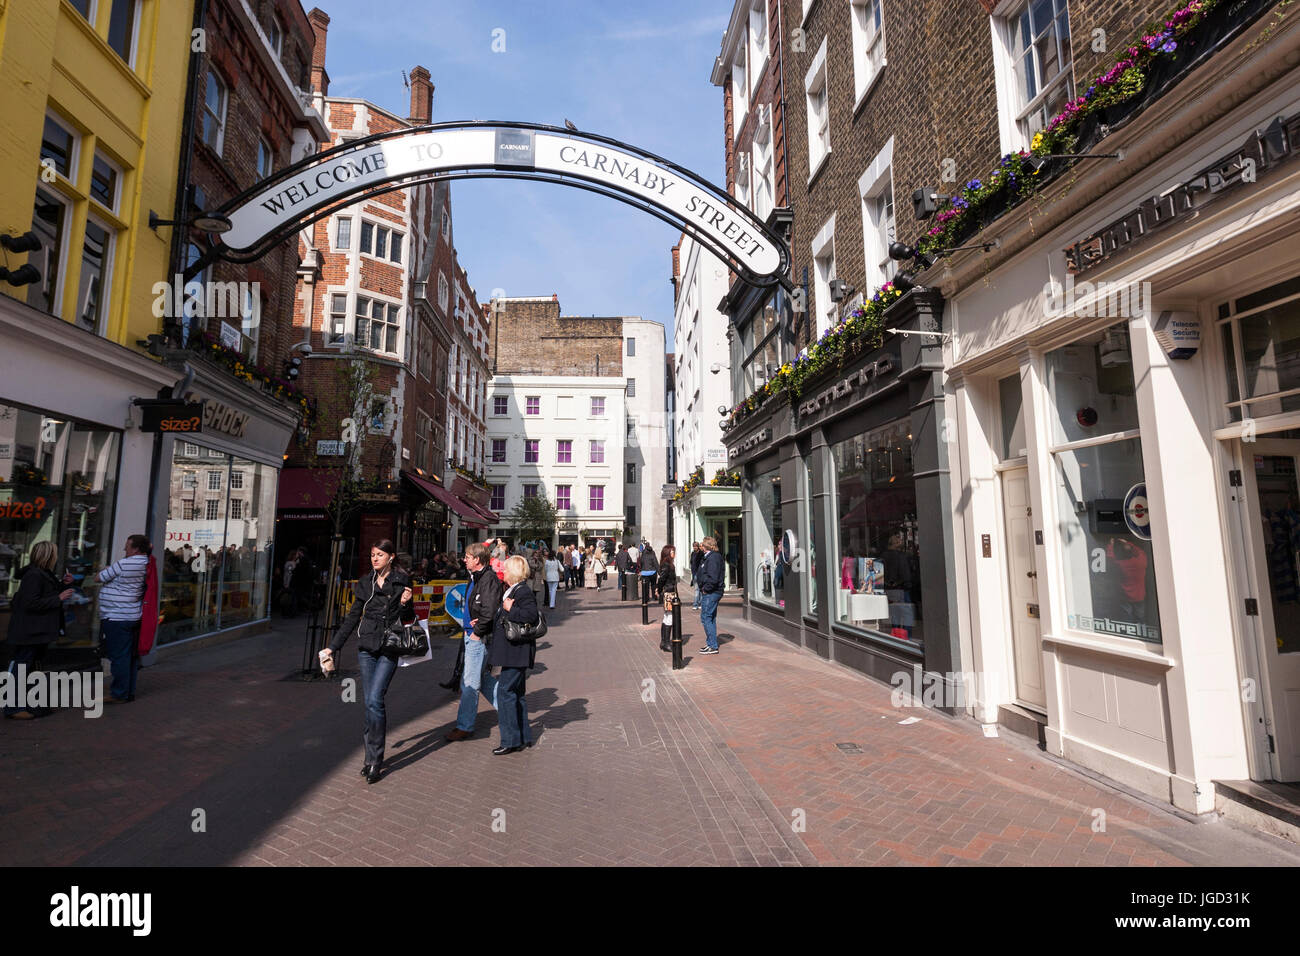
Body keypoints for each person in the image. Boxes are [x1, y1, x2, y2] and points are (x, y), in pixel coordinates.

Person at [319, 540, 414, 784]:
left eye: (380, 555)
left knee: (374, 700)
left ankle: (376, 760)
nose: (375, 559)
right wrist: (332, 647)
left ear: (391, 557)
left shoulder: (402, 581)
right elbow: (352, 618)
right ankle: (370, 757)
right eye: (372, 555)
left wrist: (404, 604)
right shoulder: (365, 583)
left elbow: (410, 617)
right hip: (367, 647)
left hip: (390, 646)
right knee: (370, 704)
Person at [4, 541, 74, 719]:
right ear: (49, 556)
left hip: (37, 630)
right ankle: (13, 707)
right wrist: (59, 597)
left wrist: (63, 586)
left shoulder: (42, 574)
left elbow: (45, 595)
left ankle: (28, 703)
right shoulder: (34, 575)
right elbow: (31, 603)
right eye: (55, 554)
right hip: (30, 630)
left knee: (29, 667)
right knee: (21, 666)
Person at [445, 541, 503, 743]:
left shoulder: (487, 579)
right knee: (483, 680)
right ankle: (509, 708)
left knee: (469, 684)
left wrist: (477, 632)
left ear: (477, 560)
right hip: (473, 636)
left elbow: (489, 609)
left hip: (477, 638)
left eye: (467, 557)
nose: (464, 559)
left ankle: (465, 726)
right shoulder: (476, 577)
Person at [489, 555, 540, 754]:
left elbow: (530, 615)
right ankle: (522, 737)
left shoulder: (522, 591)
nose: (503, 571)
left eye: (506, 569)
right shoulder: (513, 590)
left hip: (516, 652)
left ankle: (510, 740)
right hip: (513, 652)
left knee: (505, 693)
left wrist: (511, 609)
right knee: (516, 694)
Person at [97, 534, 152, 704]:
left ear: (135, 549)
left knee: (119, 657)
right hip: (132, 614)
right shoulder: (146, 563)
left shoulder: (125, 563)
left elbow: (98, 577)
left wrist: (107, 570)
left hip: (116, 616)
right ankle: (128, 691)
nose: (124, 549)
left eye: (127, 546)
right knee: (130, 656)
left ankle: (119, 693)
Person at [697, 536, 725, 655]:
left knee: (706, 618)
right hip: (711, 591)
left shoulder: (713, 558)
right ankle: (710, 643)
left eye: (702, 544)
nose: (701, 546)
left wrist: (705, 589)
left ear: (707, 545)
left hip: (711, 592)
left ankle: (713, 645)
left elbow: (713, 577)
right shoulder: (709, 557)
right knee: (710, 617)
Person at [656, 545, 678, 652]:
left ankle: (664, 641)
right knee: (669, 616)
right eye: (673, 552)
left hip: (670, 592)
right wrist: (659, 589)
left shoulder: (668, 564)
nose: (674, 554)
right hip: (668, 593)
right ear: (668, 553)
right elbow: (662, 579)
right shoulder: (666, 565)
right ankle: (666, 642)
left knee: (667, 616)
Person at [689, 542, 704, 609]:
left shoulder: (701, 554)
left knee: (698, 589)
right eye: (693, 546)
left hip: (699, 573)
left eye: (696, 546)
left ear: (698, 547)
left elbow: (701, 564)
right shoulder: (692, 553)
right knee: (697, 589)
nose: (694, 547)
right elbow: (691, 562)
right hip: (694, 573)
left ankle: (696, 604)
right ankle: (699, 603)